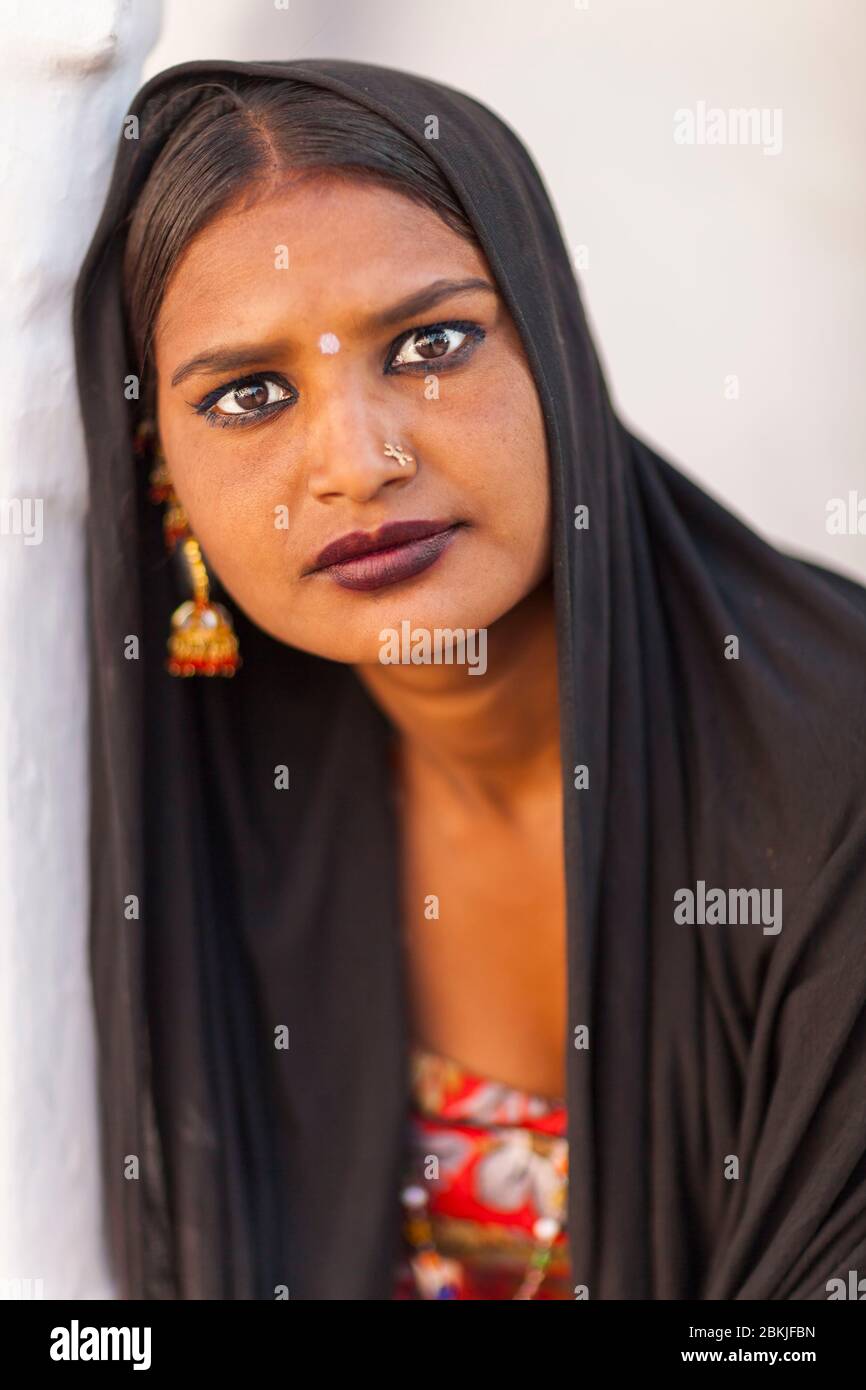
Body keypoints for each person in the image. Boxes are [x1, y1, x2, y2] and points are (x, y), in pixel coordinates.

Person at [75, 58, 866, 1301]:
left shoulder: (832, 776)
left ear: (553, 344)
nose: (357, 460)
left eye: (431, 341)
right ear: (160, 474)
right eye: (249, 394)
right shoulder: (198, 793)